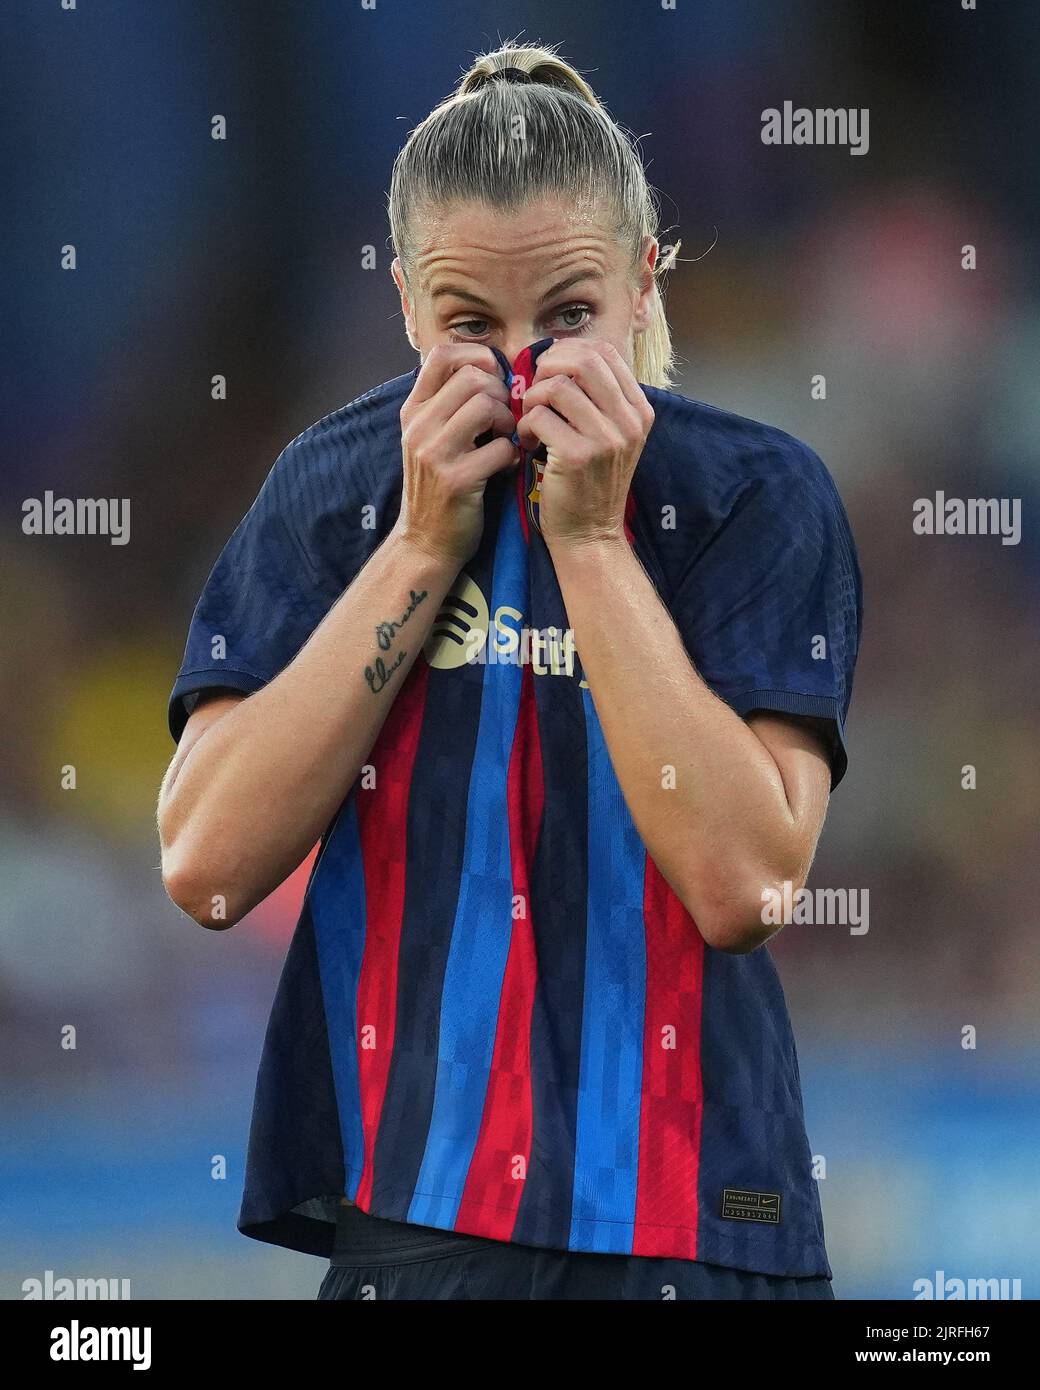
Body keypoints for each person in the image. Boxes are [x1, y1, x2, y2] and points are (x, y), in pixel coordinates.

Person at [158, 40, 862, 1301]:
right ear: (403, 304)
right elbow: (206, 866)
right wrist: (422, 545)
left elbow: (745, 880)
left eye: (570, 316)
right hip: (414, 1220)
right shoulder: (332, 488)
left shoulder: (752, 494)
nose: (524, 367)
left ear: (644, 282)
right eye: (471, 325)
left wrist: (585, 541)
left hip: (697, 1216)